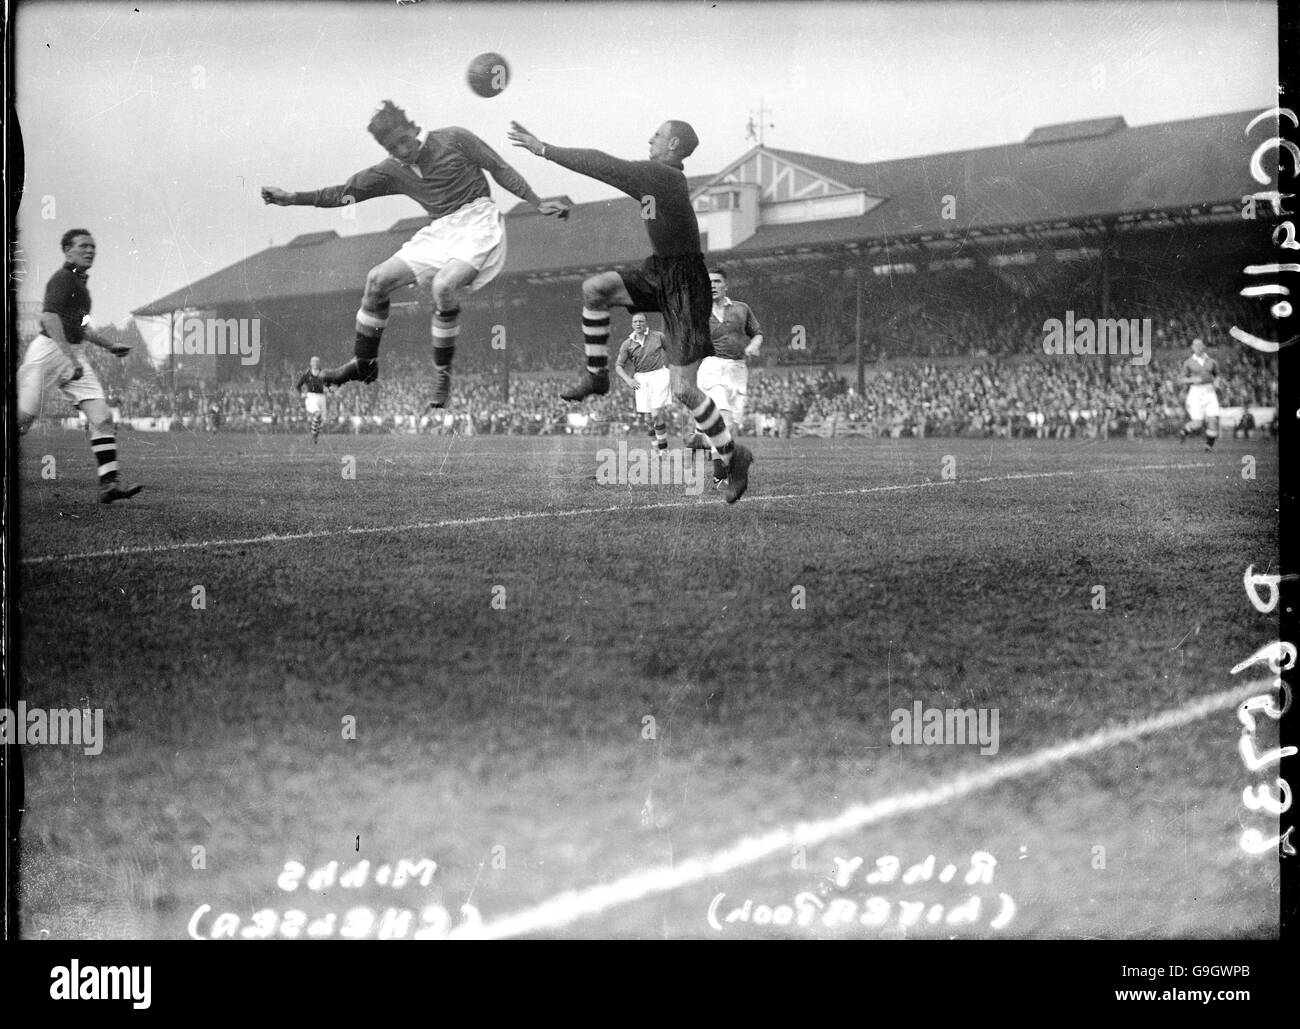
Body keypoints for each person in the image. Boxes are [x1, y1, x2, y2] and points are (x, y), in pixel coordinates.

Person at [506, 119, 753, 503]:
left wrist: (543, 149)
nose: (649, 138)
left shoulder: (662, 175)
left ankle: (734, 457)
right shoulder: (661, 178)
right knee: (595, 289)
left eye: (656, 135)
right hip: (661, 270)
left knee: (685, 389)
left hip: (686, 284)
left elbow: (602, 163)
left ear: (672, 143)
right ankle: (597, 377)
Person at [262, 101, 569, 409]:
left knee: (443, 286)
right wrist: (292, 199)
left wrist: (535, 201)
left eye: (403, 140)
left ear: (411, 127)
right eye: (392, 147)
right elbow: (344, 193)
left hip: (478, 221)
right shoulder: (391, 170)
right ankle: (364, 363)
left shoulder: (454, 138)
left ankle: (442, 374)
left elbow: (498, 167)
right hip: (440, 229)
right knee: (376, 280)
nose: (402, 150)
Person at [17, 229, 143, 503]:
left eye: (93, 246)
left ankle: (109, 483)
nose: (90, 251)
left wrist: (109, 346)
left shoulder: (80, 285)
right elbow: (50, 319)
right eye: (83, 246)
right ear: (67, 251)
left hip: (72, 352)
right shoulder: (62, 279)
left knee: (101, 417)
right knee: (23, 419)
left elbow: (82, 326)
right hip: (49, 351)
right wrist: (71, 360)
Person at [698, 267, 763, 486]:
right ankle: (720, 471)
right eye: (708, 283)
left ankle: (716, 465)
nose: (712, 286)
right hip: (712, 366)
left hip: (738, 369)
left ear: (726, 285)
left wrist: (754, 345)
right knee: (723, 415)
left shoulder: (741, 309)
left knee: (730, 425)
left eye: (716, 281)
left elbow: (757, 333)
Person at [614, 314, 672, 452]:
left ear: (646, 323)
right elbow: (618, 366)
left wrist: (674, 368)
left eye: (641, 321)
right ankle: (655, 446)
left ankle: (663, 450)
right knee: (648, 419)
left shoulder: (658, 336)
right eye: (635, 321)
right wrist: (628, 380)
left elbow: (671, 350)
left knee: (655, 413)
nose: (638, 324)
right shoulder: (627, 344)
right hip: (641, 378)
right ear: (632, 324)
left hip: (659, 375)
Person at [1178, 337, 1221, 450]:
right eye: (1195, 345)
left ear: (1203, 347)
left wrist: (1217, 382)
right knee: (1198, 423)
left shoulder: (1211, 361)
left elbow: (1217, 376)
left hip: (1209, 391)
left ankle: (1208, 446)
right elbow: (1181, 379)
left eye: (1200, 345)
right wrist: (1192, 380)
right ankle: (1184, 430)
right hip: (1196, 392)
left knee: (1213, 419)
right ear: (1192, 347)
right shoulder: (1188, 362)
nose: (1197, 347)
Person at [295, 356, 332, 443]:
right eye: (313, 362)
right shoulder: (307, 374)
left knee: (322, 421)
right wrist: (301, 394)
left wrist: (328, 390)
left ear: (319, 363)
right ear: (311, 363)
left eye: (317, 362)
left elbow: (328, 385)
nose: (315, 363)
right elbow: (298, 386)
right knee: (317, 414)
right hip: (311, 397)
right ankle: (314, 434)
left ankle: (315, 435)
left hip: (321, 397)